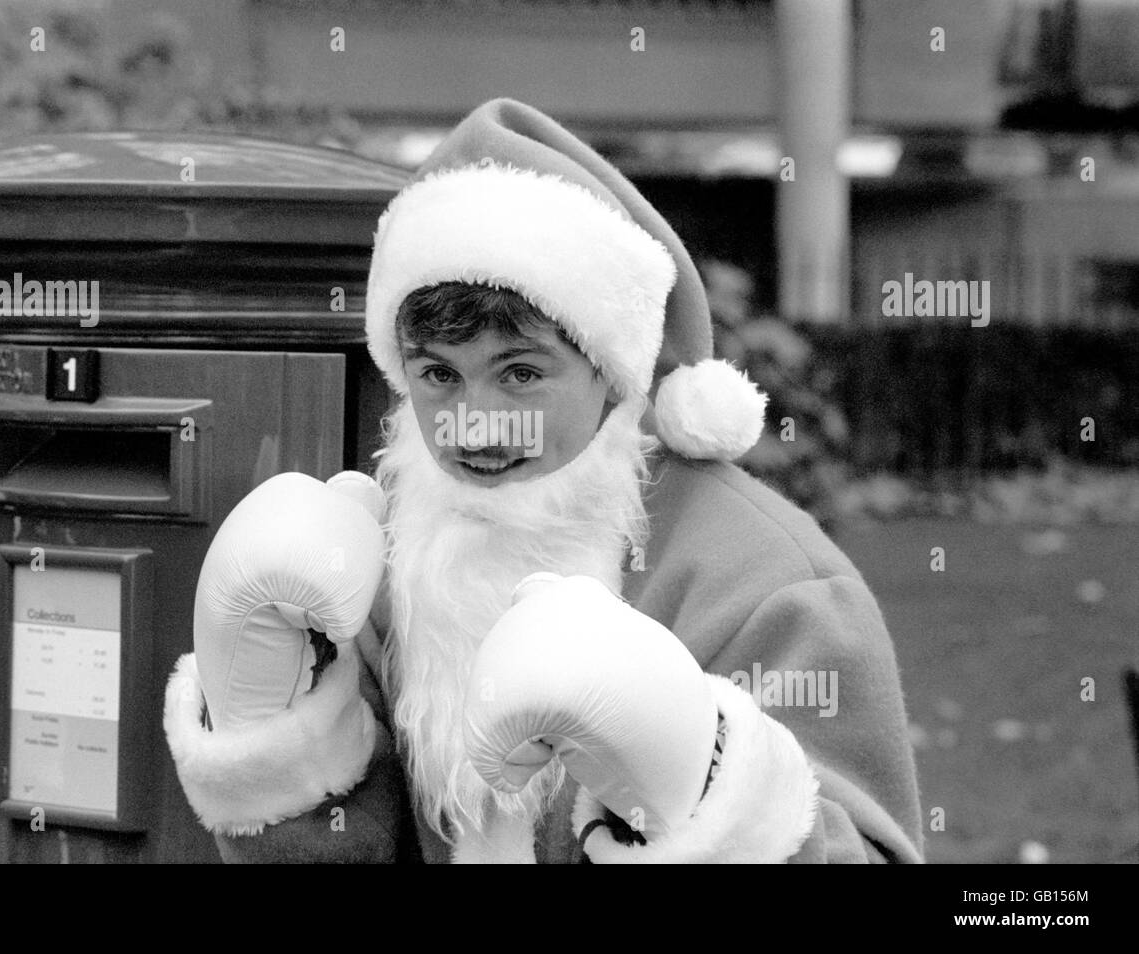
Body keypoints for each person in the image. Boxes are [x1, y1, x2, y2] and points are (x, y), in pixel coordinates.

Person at [163, 97, 925, 863]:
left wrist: (702, 782)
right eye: (438, 375)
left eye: (520, 372)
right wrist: (272, 731)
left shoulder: (775, 586)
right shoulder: (382, 554)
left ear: (610, 369)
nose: (476, 424)